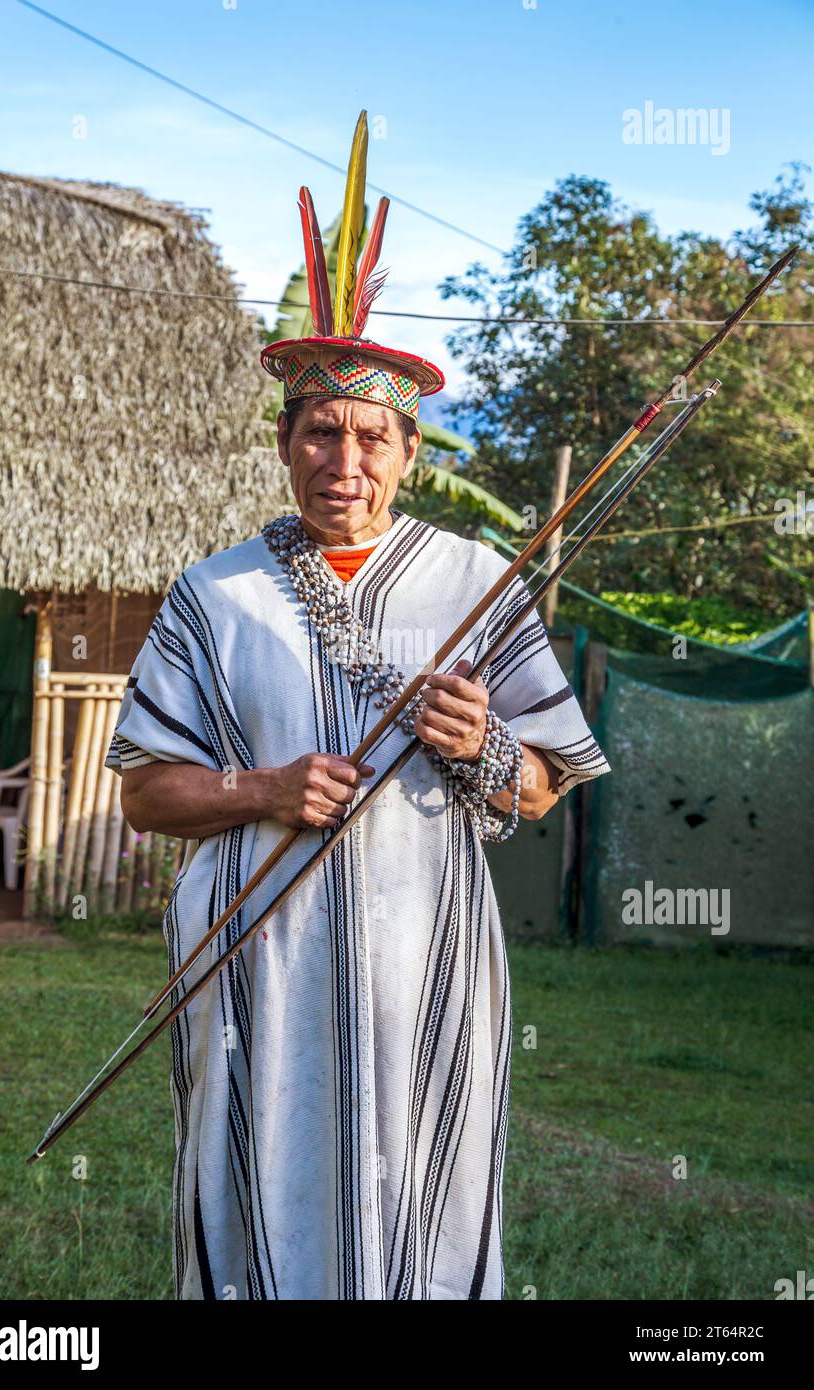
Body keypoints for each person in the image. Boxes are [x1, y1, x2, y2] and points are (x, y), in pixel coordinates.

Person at [105, 114, 609, 1300]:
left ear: (408, 448)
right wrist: (262, 790)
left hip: (421, 951)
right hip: (250, 956)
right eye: (319, 432)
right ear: (283, 444)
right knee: (250, 1180)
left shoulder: (473, 583)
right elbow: (142, 794)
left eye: (369, 436)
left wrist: (481, 738)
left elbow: (539, 786)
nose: (345, 460)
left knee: (421, 1187)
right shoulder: (212, 592)